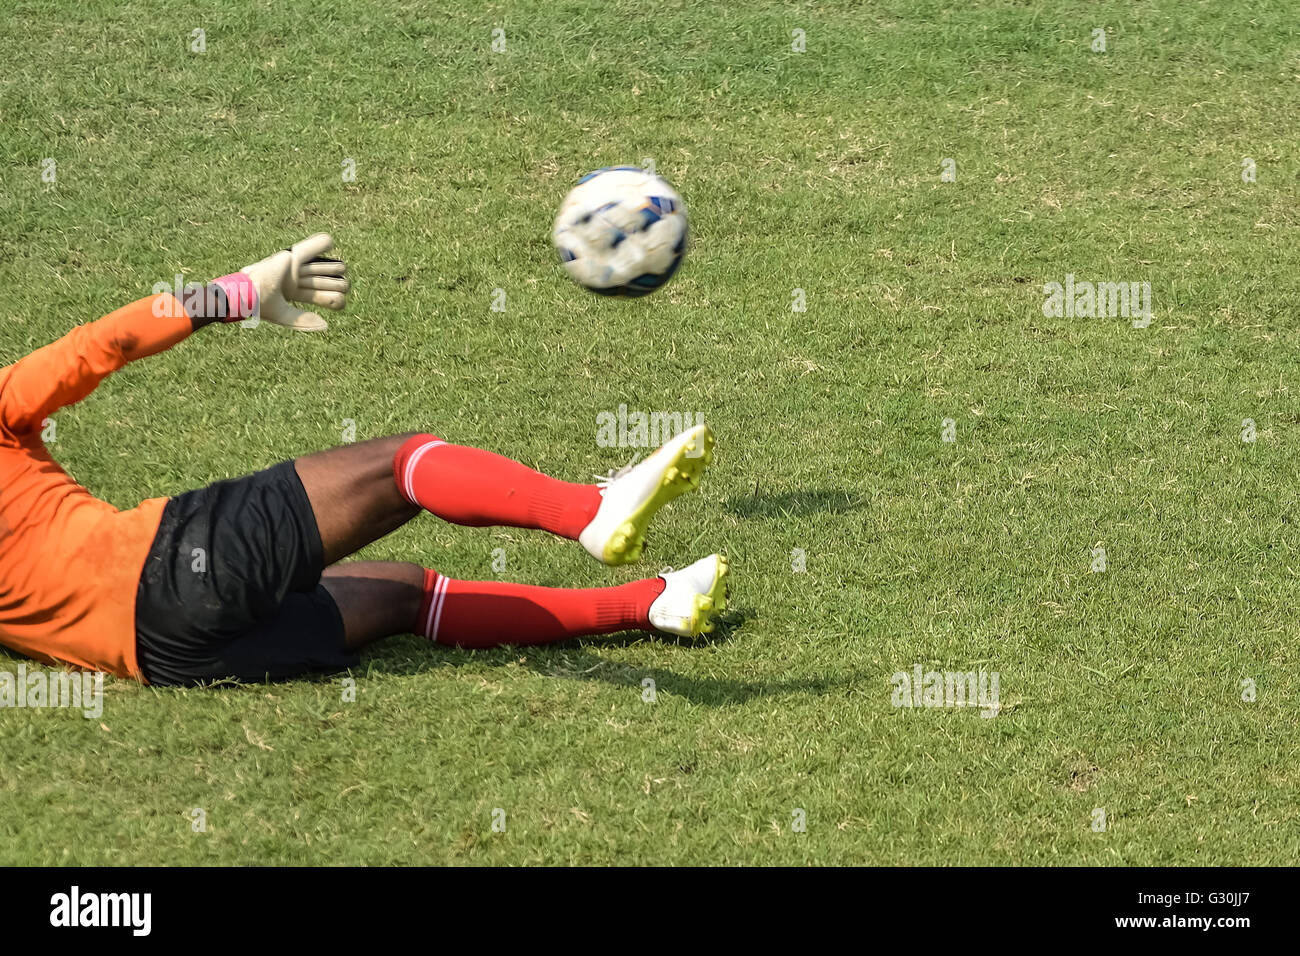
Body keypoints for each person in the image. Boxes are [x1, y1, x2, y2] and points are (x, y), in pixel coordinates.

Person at [0, 234, 729, 686]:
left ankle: (648, 603)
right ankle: (588, 512)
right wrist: (235, 294)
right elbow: (95, 349)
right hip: (162, 566)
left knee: (406, 597)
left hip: (171, 659)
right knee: (401, 464)